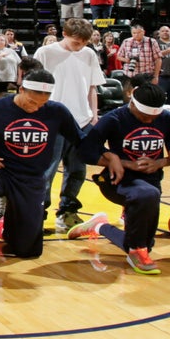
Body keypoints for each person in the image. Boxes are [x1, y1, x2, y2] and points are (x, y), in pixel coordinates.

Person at [0, 69, 85, 275]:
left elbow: (81, 140)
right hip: (0, 171)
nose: (35, 108)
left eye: (42, 104)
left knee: (26, 250)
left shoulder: (57, 111)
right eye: (31, 102)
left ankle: (1, 228)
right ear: (21, 89)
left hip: (31, 177)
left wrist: (109, 157)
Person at [70, 78, 170, 274]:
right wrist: (116, 159)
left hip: (151, 184)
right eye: (144, 116)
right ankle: (136, 251)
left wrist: (162, 162)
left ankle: (100, 227)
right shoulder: (114, 119)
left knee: (146, 240)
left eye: (153, 117)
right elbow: (85, 151)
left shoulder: (167, 119)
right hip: (118, 181)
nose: (149, 121)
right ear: (132, 102)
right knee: (146, 197)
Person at [34, 17, 104, 233]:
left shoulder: (89, 54)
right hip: (51, 120)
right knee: (46, 170)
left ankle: (67, 212)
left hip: (82, 120)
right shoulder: (44, 53)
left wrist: (94, 115)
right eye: (76, 42)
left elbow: (93, 86)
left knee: (77, 170)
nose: (81, 46)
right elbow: (32, 86)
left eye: (84, 42)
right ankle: (37, 213)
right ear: (64, 34)